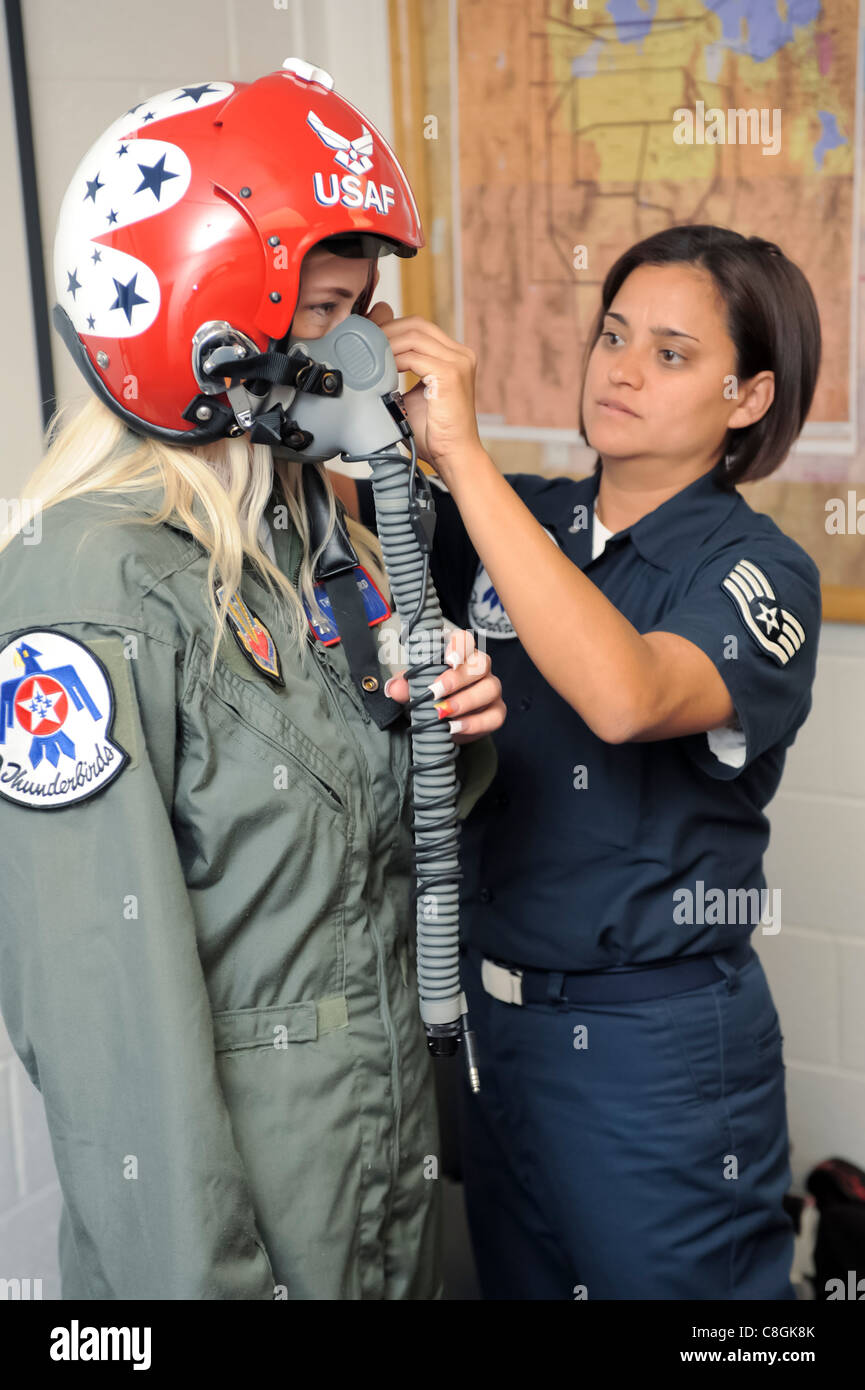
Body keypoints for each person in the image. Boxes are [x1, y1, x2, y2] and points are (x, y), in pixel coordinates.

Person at [0, 61, 505, 1300]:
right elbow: (107, 1027)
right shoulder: (86, 590)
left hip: (376, 1168)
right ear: (201, 319)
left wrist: (451, 719)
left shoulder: (302, 533)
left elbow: (365, 838)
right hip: (243, 1222)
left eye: (362, 309)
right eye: (328, 309)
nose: (363, 351)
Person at [333, 224, 823, 1299]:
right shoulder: (528, 517)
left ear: (745, 398)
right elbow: (321, 502)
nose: (621, 368)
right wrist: (331, 349)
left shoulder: (762, 572)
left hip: (654, 1050)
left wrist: (456, 454)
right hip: (492, 1027)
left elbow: (626, 694)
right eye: (612, 334)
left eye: (671, 352)